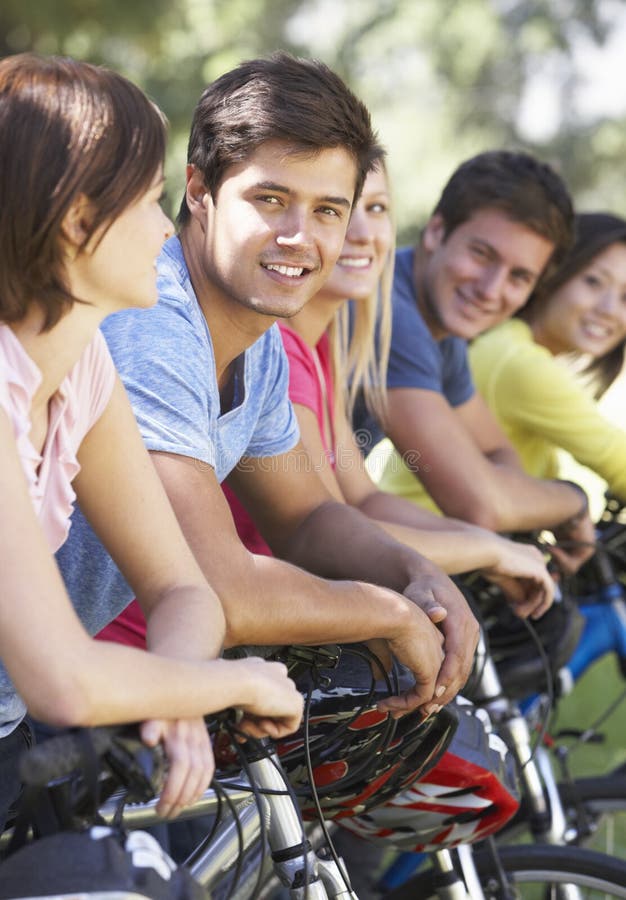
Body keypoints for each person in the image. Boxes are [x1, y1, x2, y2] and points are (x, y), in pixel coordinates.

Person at [59, 52, 477, 723]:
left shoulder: (259, 339)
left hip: (61, 688)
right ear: (199, 191)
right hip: (69, 684)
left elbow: (306, 513)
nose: (299, 237)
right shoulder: (155, 324)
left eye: (328, 211)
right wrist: (390, 612)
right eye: (271, 199)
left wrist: (414, 573)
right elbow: (219, 584)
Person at [0, 53, 304, 833]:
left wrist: (177, 689)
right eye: (147, 200)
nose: (167, 227)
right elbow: (64, 683)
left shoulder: (82, 363)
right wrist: (235, 685)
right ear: (75, 222)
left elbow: (181, 588)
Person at [224, 160, 554, 616]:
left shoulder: (322, 350)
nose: (361, 231)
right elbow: (327, 530)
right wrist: (488, 551)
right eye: (335, 209)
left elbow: (364, 499)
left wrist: (484, 545)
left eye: (376, 208)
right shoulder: (278, 348)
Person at [358, 150, 596, 572]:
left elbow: (497, 453)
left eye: (519, 277)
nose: (491, 289)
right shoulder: (392, 311)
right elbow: (478, 503)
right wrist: (573, 501)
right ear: (436, 231)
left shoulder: (444, 328)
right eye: (482, 254)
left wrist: (499, 522)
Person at [470, 212, 626, 518]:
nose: (609, 310)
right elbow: (617, 460)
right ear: (553, 274)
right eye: (593, 282)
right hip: (434, 553)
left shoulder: (508, 344)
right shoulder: (519, 363)